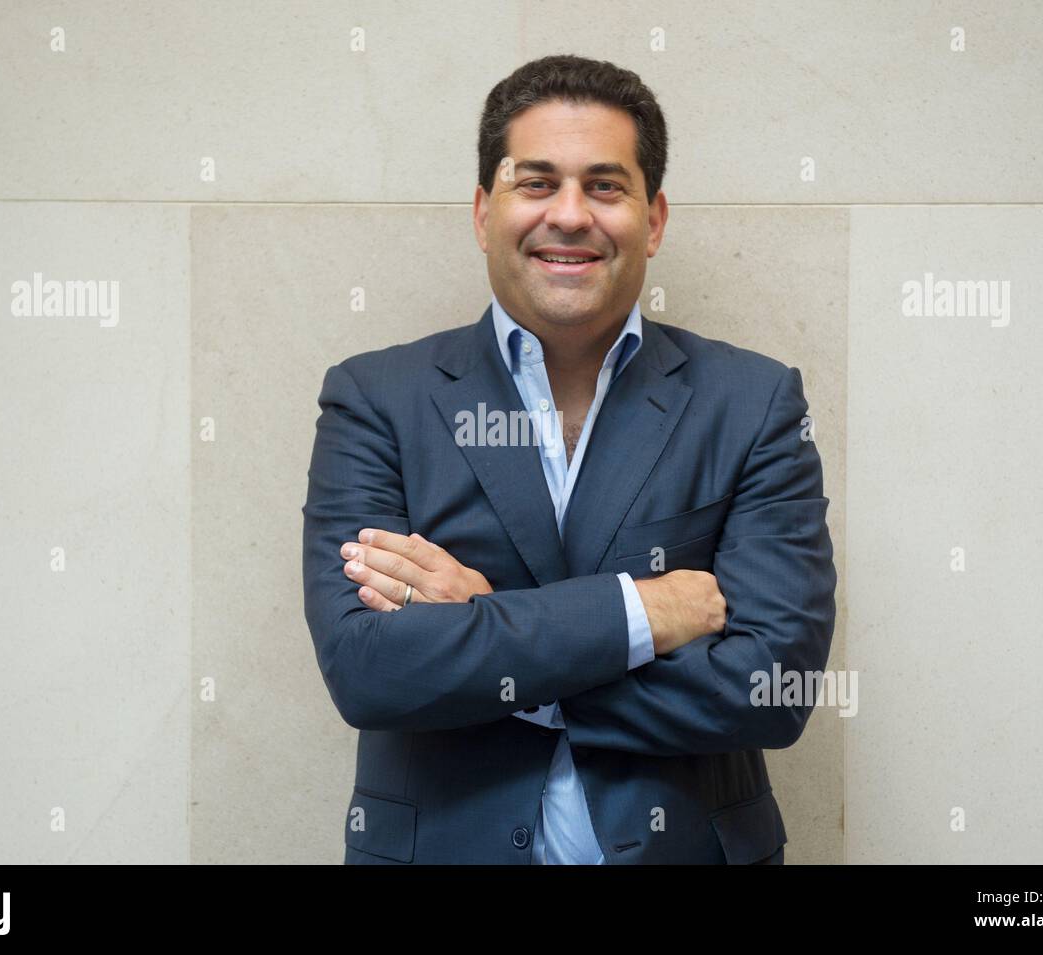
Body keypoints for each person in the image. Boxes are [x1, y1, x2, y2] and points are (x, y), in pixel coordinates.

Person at [302, 54, 836, 864]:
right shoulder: (376, 399)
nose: (571, 214)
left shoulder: (753, 402)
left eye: (606, 186)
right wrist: (642, 614)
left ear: (653, 219)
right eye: (537, 182)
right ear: (485, 211)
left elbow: (771, 688)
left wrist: (485, 631)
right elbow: (367, 670)